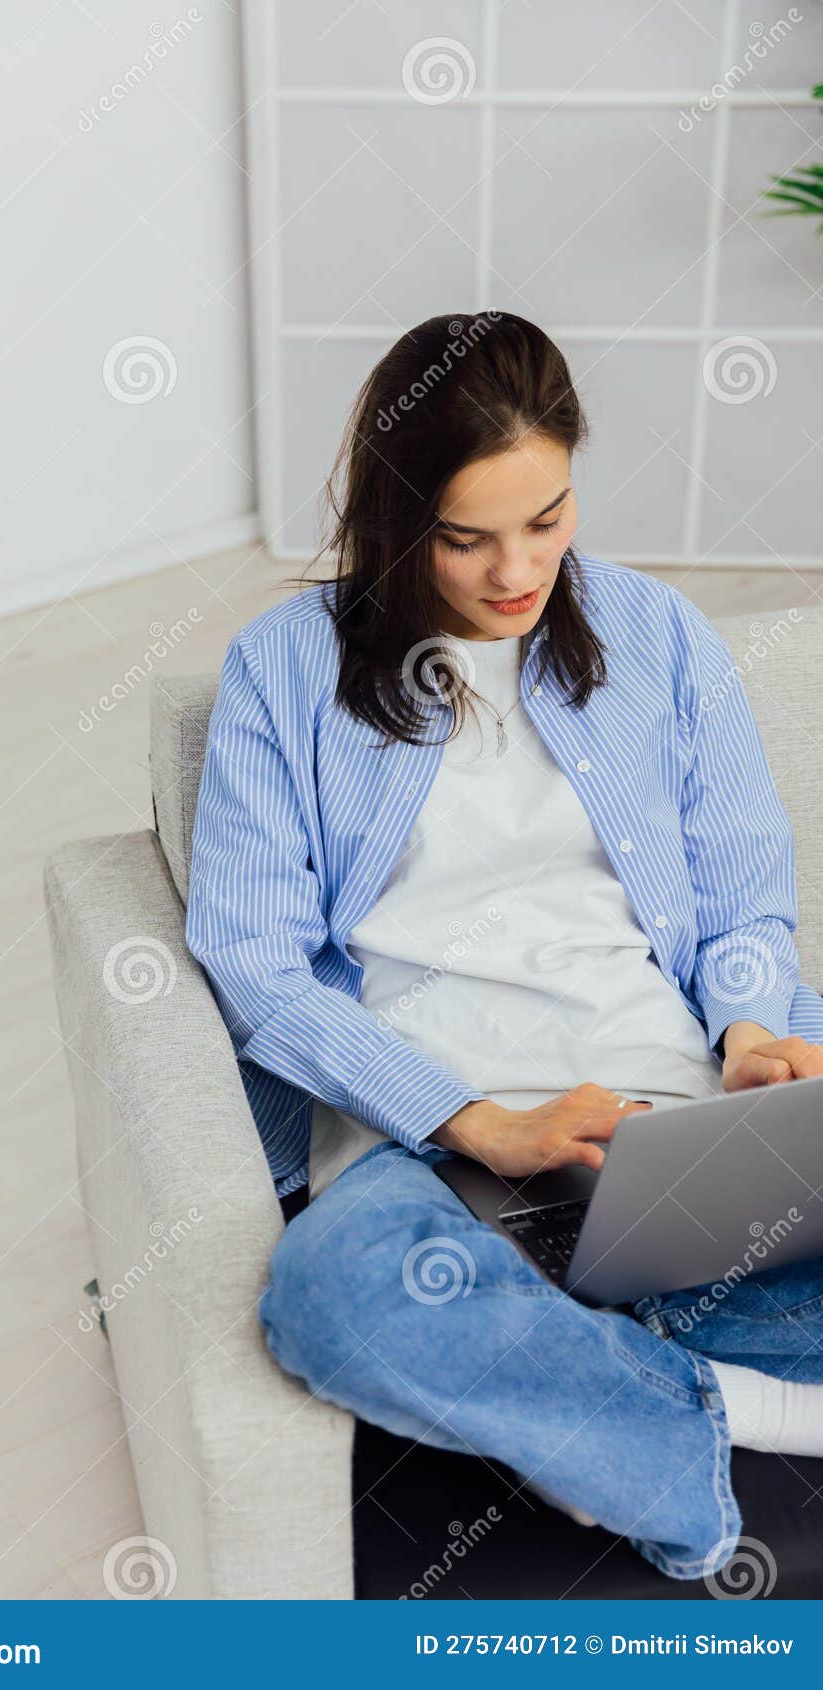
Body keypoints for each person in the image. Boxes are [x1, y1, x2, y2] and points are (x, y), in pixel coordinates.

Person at [184, 311, 823, 1582]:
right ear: (393, 513)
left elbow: (748, 902)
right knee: (331, 1296)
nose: (513, 571)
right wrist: (474, 1120)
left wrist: (749, 1035)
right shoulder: (283, 670)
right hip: (441, 1146)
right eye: (465, 537)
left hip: (667, 1118)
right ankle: (720, 1414)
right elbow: (250, 958)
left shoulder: (659, 639)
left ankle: (582, 1392)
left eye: (547, 519)